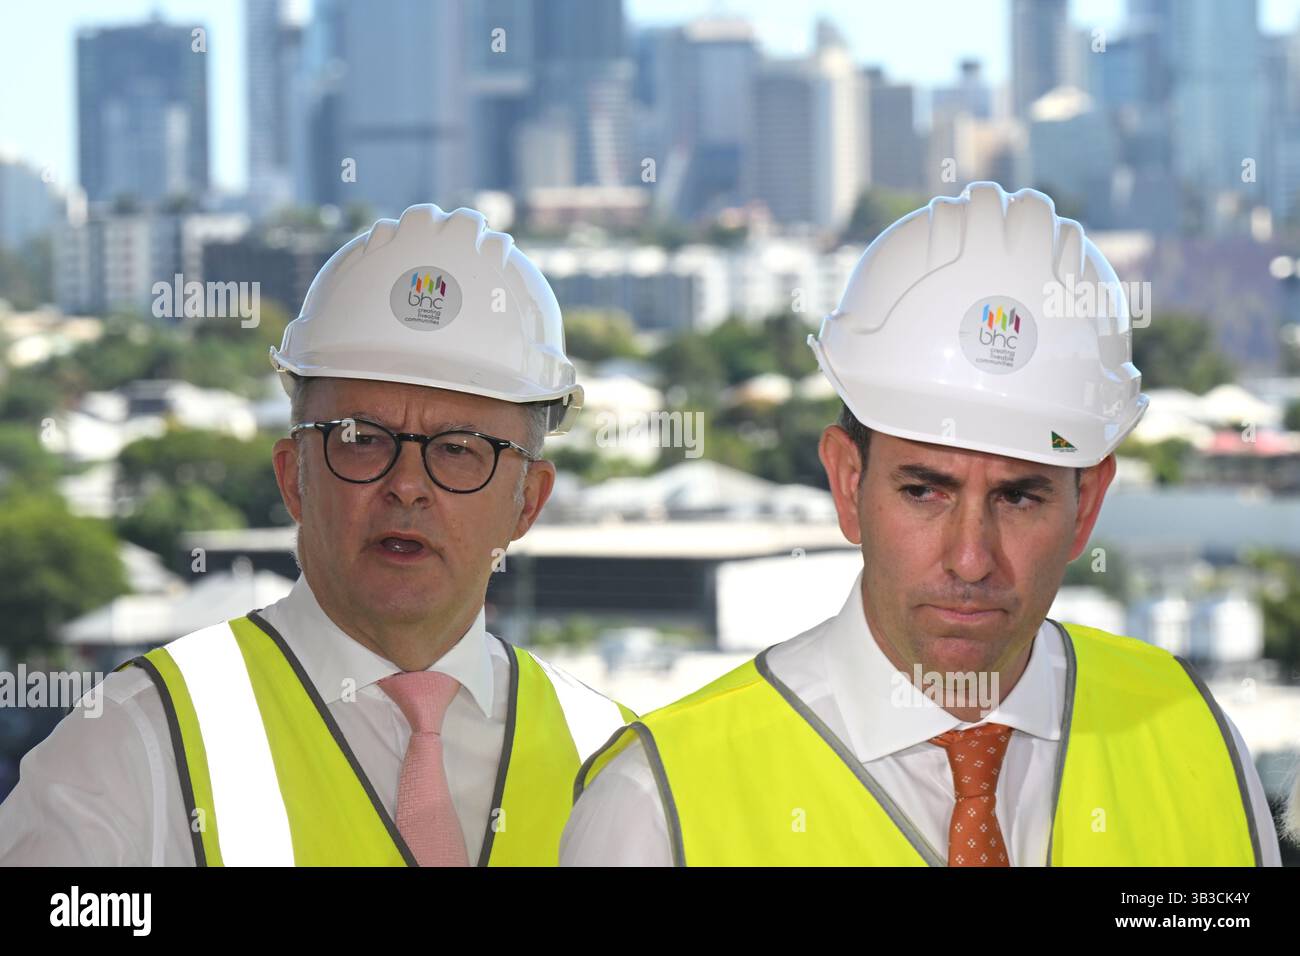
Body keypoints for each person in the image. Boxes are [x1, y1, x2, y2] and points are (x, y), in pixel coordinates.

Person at [561, 182, 1281, 866]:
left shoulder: (1195, 738)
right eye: (925, 491)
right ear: (848, 484)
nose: (971, 559)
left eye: (1019, 498)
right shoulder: (658, 807)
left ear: (1086, 505)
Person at [0, 203, 634, 866]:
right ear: (293, 476)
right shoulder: (135, 744)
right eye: (361, 439)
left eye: (458, 449)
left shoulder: (614, 755)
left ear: (527, 502)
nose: (407, 485)